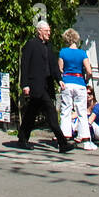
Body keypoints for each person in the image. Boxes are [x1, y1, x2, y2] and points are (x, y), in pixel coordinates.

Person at [18, 20, 73, 154]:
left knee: (31, 113)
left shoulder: (48, 46)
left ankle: (22, 137)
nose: (49, 33)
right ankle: (62, 143)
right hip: (36, 85)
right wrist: (25, 84)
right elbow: (24, 65)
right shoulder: (31, 44)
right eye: (47, 31)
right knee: (51, 112)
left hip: (46, 86)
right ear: (39, 31)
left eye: (49, 30)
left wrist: (59, 80)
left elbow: (53, 66)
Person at [58, 28, 97, 151]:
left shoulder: (63, 52)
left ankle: (64, 138)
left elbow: (60, 69)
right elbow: (89, 70)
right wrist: (85, 79)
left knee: (66, 111)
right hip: (79, 82)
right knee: (81, 111)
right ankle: (86, 140)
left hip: (67, 83)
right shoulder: (82, 53)